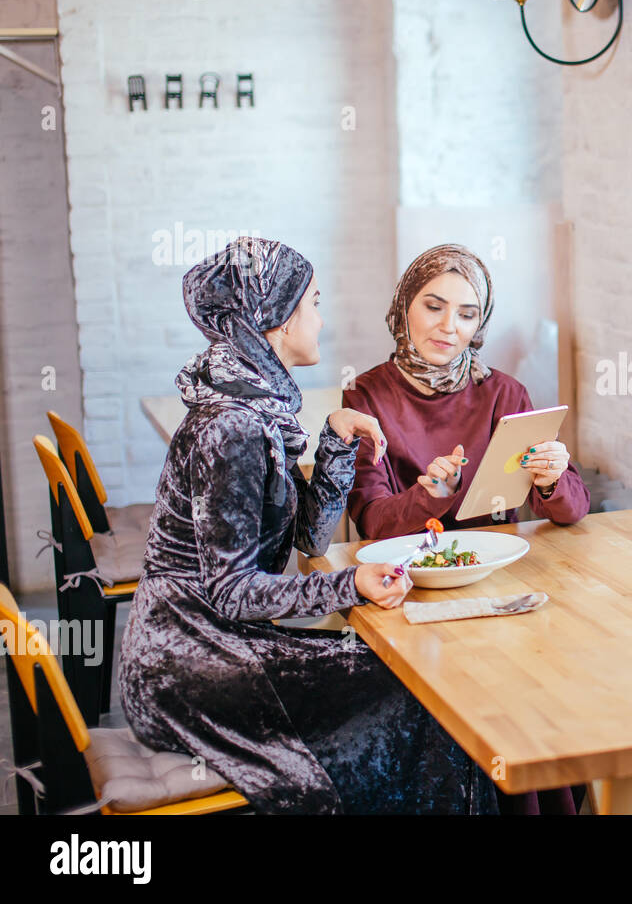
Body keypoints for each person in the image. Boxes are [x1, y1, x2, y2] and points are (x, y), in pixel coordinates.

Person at [118, 237, 499, 814]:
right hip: (188, 666)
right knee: (423, 696)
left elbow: (309, 539)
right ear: (277, 320)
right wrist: (351, 583)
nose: (323, 320)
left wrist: (336, 443)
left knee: (419, 685)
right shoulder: (234, 429)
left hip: (222, 643)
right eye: (314, 303)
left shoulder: (257, 409)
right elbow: (232, 591)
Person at [344, 243, 590, 814]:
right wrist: (423, 495)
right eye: (433, 306)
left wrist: (552, 479)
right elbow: (371, 521)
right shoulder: (367, 396)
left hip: (498, 592)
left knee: (547, 703)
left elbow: (573, 509)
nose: (448, 327)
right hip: (409, 601)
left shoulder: (505, 393)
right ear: (405, 307)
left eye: (467, 313)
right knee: (488, 710)